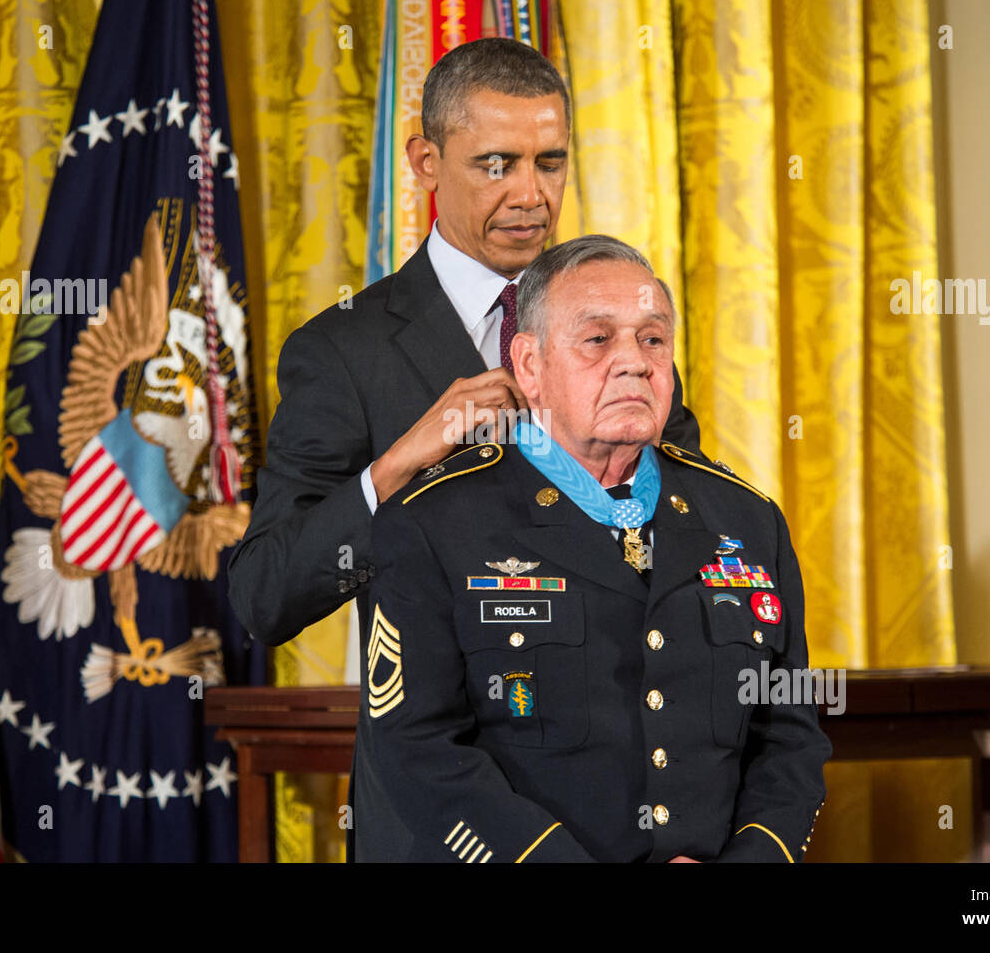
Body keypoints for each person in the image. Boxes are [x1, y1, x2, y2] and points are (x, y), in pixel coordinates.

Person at [353, 235, 830, 862]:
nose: (634, 361)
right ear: (529, 366)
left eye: (653, 339)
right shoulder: (433, 524)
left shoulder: (749, 519)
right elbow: (419, 750)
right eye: (598, 339)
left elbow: (790, 737)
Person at [227, 37, 699, 648]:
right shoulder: (343, 350)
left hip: (619, 722)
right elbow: (265, 595)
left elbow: (695, 527)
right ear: (426, 162)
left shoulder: (621, 327)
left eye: (550, 163)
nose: (532, 194)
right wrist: (398, 466)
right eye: (497, 165)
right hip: (445, 731)